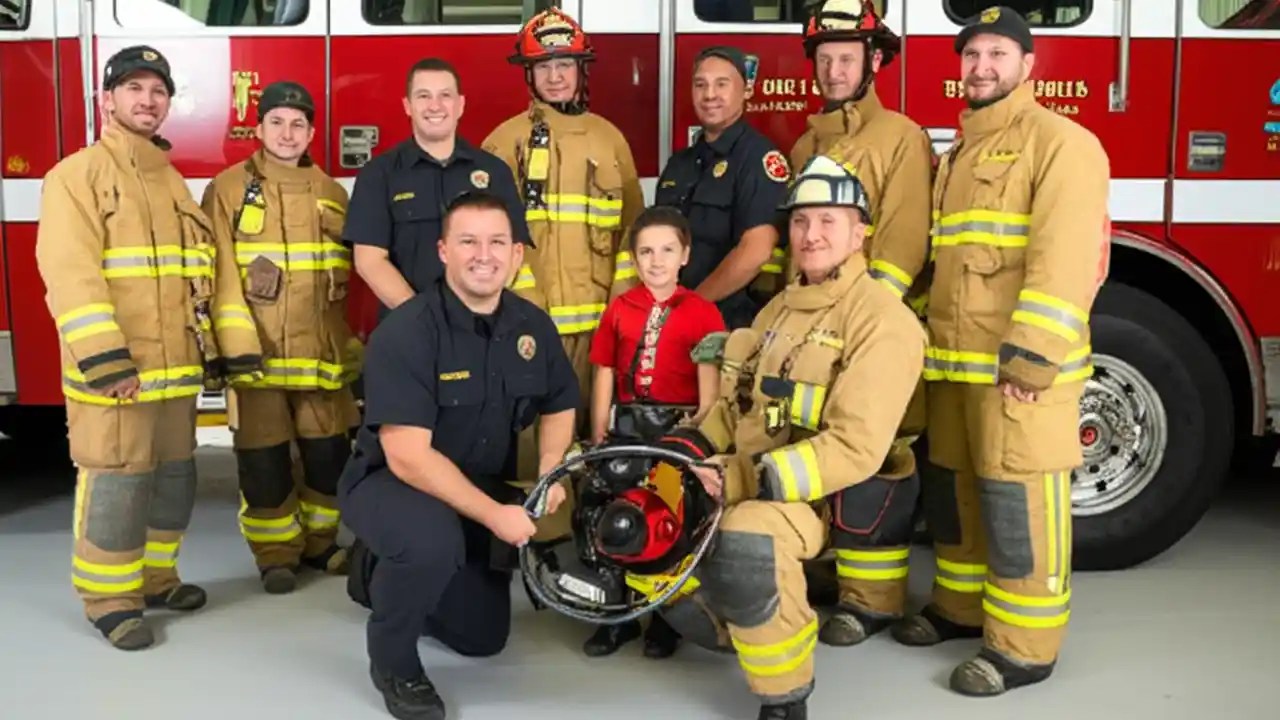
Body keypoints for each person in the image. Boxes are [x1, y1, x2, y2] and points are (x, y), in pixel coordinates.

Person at [650, 155, 927, 720]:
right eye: (801, 222)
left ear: (859, 232)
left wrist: (745, 480)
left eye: (828, 221)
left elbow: (855, 446)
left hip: (819, 496)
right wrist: (686, 450)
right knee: (651, 495)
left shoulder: (882, 320)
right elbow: (735, 405)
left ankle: (783, 693)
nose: (811, 234)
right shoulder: (779, 307)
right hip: (749, 473)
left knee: (747, 534)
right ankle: (724, 622)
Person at [890, 6, 1110, 697]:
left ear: (1028, 66)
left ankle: (1024, 647)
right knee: (956, 498)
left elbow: (1067, 258)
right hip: (956, 366)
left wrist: (1034, 355)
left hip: (1017, 373)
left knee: (1018, 505)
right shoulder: (961, 153)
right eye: (972, 55)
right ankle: (959, 610)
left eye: (997, 54)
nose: (981, 67)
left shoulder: (1062, 143)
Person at [35, 45, 263, 650]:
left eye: (157, 91)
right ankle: (109, 598)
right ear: (106, 100)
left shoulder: (174, 185)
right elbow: (70, 273)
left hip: (174, 375)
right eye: (133, 89)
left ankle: (157, 578)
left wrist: (223, 349)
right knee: (117, 482)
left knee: (172, 480)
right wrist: (107, 360)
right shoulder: (76, 177)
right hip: (117, 376)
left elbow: (208, 277)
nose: (147, 100)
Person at [337, 192, 580, 720]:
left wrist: (549, 466)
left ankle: (377, 574)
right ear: (444, 250)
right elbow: (407, 457)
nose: (483, 255)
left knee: (482, 638)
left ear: (517, 255)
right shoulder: (407, 332)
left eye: (497, 242)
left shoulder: (533, 327)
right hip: (389, 483)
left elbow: (560, 403)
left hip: (470, 484)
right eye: (468, 241)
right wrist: (496, 516)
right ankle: (394, 662)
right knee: (430, 543)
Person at [787, 0, 936, 646]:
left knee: (879, 455)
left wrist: (863, 329)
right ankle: (829, 575)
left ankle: (873, 599)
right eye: (825, 59)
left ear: (873, 61)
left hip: (871, 327)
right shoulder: (804, 143)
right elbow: (798, 245)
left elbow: (903, 242)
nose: (834, 69)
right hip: (811, 326)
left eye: (847, 57)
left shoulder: (900, 136)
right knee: (811, 439)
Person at [202, 81, 361, 594]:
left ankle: (321, 544)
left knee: (328, 460)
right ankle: (275, 555)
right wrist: (232, 348)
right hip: (259, 360)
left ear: (312, 131)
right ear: (260, 127)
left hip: (321, 359)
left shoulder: (333, 193)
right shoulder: (227, 189)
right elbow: (220, 274)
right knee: (264, 462)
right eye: (277, 122)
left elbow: (348, 284)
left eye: (298, 124)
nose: (288, 133)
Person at [578, 205, 726, 658]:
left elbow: (711, 392)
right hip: (626, 427)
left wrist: (696, 440)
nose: (656, 261)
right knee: (601, 509)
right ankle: (612, 612)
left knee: (669, 521)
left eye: (666, 250)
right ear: (634, 258)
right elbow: (603, 368)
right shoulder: (621, 309)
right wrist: (599, 428)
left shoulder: (703, 312)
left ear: (685, 255)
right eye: (646, 251)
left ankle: (666, 618)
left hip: (675, 432)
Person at [346, 58, 530, 322]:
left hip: (481, 327)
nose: (435, 106)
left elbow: (512, 250)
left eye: (445, 95)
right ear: (407, 106)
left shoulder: (494, 172)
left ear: (460, 105)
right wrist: (424, 320)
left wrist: (478, 310)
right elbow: (369, 260)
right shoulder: (379, 174)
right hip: (409, 330)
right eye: (423, 96)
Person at [654, 45, 792, 330]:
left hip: (730, 327)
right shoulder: (679, 165)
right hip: (673, 322)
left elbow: (756, 250)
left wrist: (691, 306)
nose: (709, 95)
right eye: (700, 85)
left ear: (746, 90)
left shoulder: (758, 159)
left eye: (722, 84)